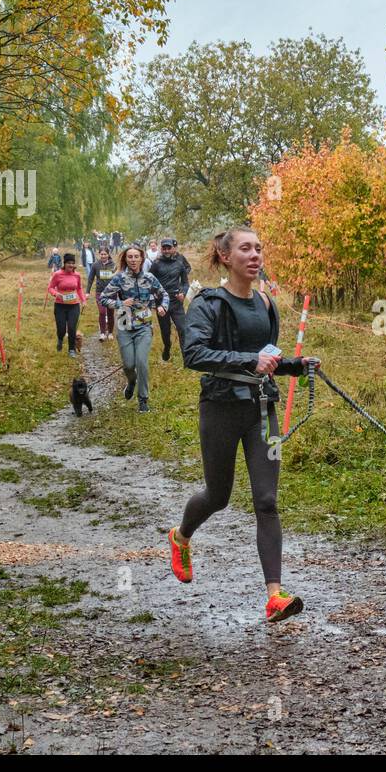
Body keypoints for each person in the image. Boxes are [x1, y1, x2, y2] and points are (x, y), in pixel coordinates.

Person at [171, 225, 319, 624]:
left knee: (266, 501)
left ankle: (274, 596)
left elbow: (266, 358)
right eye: (246, 249)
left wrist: (295, 366)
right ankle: (181, 536)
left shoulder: (267, 304)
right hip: (220, 408)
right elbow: (195, 354)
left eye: (259, 249)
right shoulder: (208, 304)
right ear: (224, 256)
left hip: (261, 409)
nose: (255, 256)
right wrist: (248, 360)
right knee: (218, 496)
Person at [99, 245, 168, 413]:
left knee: (142, 362)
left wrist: (163, 307)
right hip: (124, 325)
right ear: (126, 259)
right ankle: (131, 381)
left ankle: (143, 399)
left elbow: (163, 294)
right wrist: (119, 303)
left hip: (144, 326)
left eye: (136, 256)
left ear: (141, 259)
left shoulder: (150, 278)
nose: (133, 260)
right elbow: (103, 298)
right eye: (130, 257)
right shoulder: (119, 279)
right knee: (129, 365)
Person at [147, 238, 192, 362]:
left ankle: (186, 358)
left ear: (173, 248)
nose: (166, 250)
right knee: (166, 332)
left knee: (183, 329)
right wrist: (154, 295)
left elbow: (185, 282)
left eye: (169, 248)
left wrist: (183, 292)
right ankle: (167, 347)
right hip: (162, 303)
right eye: (164, 248)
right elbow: (149, 281)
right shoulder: (156, 264)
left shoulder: (179, 263)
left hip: (177, 302)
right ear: (161, 249)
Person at [47, 253, 86, 357]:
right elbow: (50, 288)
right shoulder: (57, 274)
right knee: (61, 329)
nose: (71, 265)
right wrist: (56, 294)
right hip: (60, 305)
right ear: (64, 263)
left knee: (72, 327)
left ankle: (71, 349)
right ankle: (60, 339)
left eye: (73, 263)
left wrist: (83, 300)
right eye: (69, 263)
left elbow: (79, 288)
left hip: (74, 305)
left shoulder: (77, 275)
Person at [87, 246, 118, 340]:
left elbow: (118, 279)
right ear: (99, 254)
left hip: (112, 292)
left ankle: (110, 332)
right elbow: (90, 279)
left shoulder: (114, 265)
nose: (103, 256)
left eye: (105, 254)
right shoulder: (95, 265)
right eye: (101, 254)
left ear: (108, 254)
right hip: (100, 292)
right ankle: (102, 333)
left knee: (110, 313)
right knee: (102, 312)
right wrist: (87, 292)